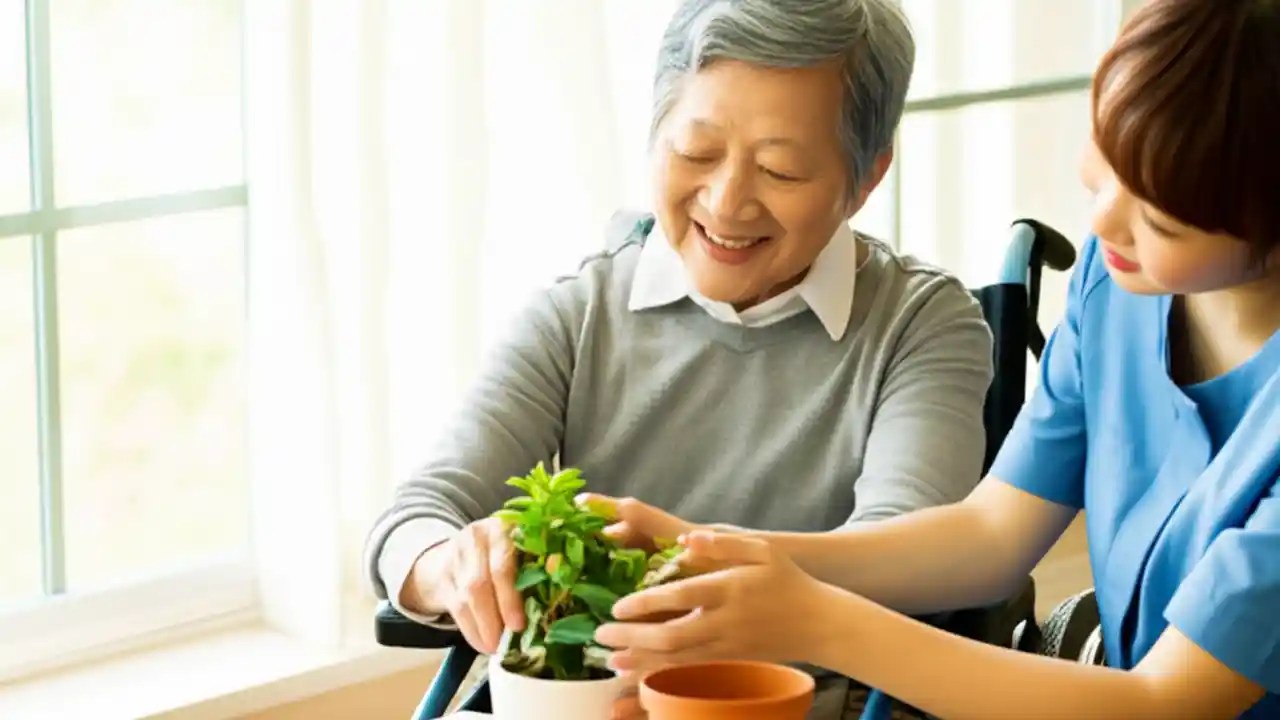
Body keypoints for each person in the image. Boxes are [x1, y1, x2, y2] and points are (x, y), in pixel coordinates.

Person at [594, 1, 1280, 717]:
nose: (1103, 221)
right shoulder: (1117, 286)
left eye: (1161, 215)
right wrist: (715, 551)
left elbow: (1166, 703)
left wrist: (815, 620)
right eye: (1104, 167)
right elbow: (993, 535)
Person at [364, 1, 995, 716]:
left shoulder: (923, 326)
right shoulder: (580, 315)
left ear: (868, 176)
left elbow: (903, 560)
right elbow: (414, 520)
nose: (727, 203)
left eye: (781, 170)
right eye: (695, 153)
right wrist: (450, 567)